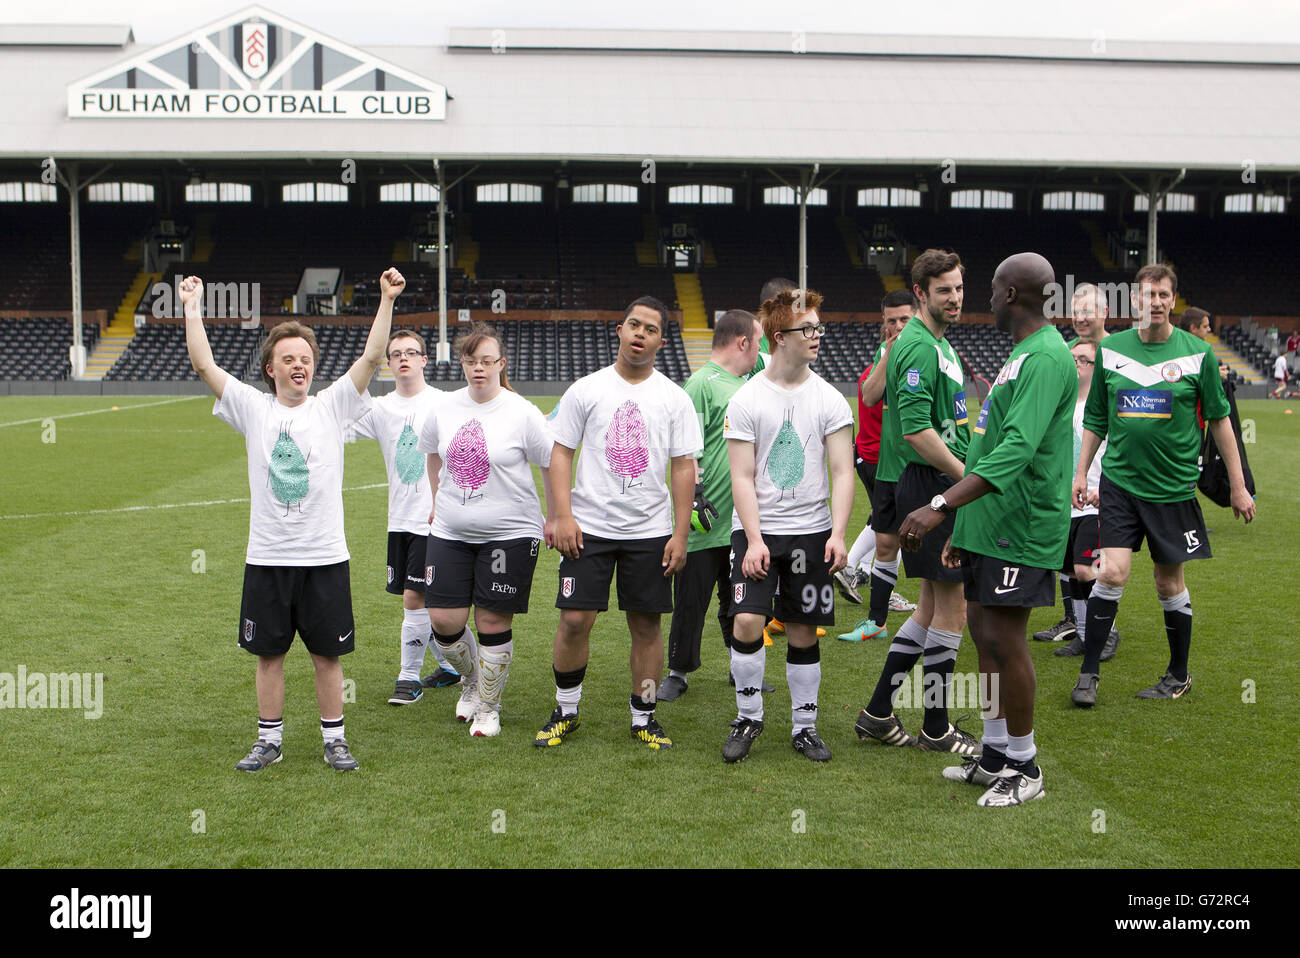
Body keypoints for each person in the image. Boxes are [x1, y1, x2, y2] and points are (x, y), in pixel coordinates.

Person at [182, 267, 404, 772]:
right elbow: (203, 364)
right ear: (271, 370)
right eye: (289, 359)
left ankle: (335, 741)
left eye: (305, 359)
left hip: (325, 557)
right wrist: (193, 306)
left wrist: (387, 298)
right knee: (269, 656)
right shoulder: (252, 409)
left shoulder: (333, 406)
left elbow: (371, 358)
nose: (299, 366)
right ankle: (269, 741)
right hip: (267, 557)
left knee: (328, 657)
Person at [899, 251, 1075, 805]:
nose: (984, 297)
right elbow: (989, 445)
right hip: (991, 523)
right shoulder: (1023, 354)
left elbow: (1017, 450)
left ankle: (1024, 768)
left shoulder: (1046, 357)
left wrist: (940, 506)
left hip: (1022, 525)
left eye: (992, 287)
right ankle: (995, 756)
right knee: (983, 632)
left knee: (1004, 637)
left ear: (1012, 295)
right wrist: (964, 528)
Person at [1070, 263, 1256, 707]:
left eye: (1163, 296)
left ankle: (1177, 674)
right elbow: (1096, 417)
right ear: (1135, 300)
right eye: (1147, 295)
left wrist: (1238, 485)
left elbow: (1220, 421)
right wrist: (1081, 471)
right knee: (1112, 572)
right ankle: (1089, 672)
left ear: (1173, 301)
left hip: (1172, 489)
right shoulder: (1112, 351)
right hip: (1119, 485)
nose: (1155, 303)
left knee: (1167, 582)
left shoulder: (1198, 354)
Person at [535, 297, 702, 749]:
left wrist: (680, 534)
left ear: (661, 341)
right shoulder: (586, 389)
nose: (639, 334)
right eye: (633, 324)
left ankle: (643, 717)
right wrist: (563, 515)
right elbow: (560, 452)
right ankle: (565, 712)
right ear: (619, 329)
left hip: (649, 532)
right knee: (574, 619)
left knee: (646, 626)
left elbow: (684, 466)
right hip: (587, 528)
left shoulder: (674, 398)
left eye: (650, 329)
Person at [721, 288, 854, 763]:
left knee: (802, 630)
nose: (817, 337)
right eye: (808, 329)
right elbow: (741, 475)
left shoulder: (831, 399)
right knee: (748, 619)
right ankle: (749, 716)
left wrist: (838, 534)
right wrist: (753, 539)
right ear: (780, 338)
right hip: (757, 531)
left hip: (812, 531)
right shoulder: (747, 399)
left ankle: (804, 726)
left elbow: (842, 471)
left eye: (819, 327)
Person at [854, 249, 978, 755]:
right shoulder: (921, 346)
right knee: (954, 609)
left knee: (930, 607)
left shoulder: (933, 342)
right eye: (944, 289)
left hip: (930, 483)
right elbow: (917, 430)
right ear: (922, 293)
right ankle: (936, 727)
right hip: (931, 485)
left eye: (959, 287)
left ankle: (878, 713)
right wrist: (966, 479)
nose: (955, 298)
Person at [418, 323, 554, 737]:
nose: (479, 368)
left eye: (487, 361)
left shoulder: (522, 412)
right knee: (443, 620)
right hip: (450, 531)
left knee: (492, 621)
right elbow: (432, 456)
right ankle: (473, 680)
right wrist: (436, 497)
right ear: (462, 363)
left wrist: (556, 515)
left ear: (501, 364)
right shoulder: (443, 408)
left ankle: (489, 708)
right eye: (471, 360)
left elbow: (550, 462)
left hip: (509, 533)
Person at [658, 310, 766, 702]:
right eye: (757, 341)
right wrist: (696, 495)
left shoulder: (753, 383)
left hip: (742, 518)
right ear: (742, 342)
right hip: (706, 518)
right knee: (692, 597)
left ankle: (742, 666)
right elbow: (685, 447)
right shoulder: (702, 383)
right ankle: (678, 671)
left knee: (739, 597)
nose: (760, 349)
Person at [351, 329, 463, 706]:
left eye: (410, 353)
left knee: (415, 598)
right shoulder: (380, 409)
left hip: (435, 519)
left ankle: (408, 678)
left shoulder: (446, 403)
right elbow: (341, 415)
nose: (403, 359)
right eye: (395, 353)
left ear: (424, 360)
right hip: (399, 519)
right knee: (427, 602)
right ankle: (455, 668)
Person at [835, 288, 917, 639]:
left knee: (900, 534)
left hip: (897, 463)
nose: (897, 327)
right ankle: (874, 610)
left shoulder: (927, 353)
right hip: (881, 462)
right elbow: (869, 394)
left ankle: (856, 570)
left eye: (904, 320)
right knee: (890, 534)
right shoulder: (885, 355)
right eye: (891, 321)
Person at [1035, 283, 1113, 644]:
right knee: (1066, 562)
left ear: (1105, 313)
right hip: (1065, 485)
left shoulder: (1118, 354)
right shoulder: (1067, 352)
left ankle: (1102, 631)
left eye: (1089, 310)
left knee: (1090, 565)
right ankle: (1076, 624)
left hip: (1102, 484)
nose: (1081, 318)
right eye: (1076, 311)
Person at [1050, 339, 1121, 662]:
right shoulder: (1061, 405)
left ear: (1097, 367)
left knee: (1085, 567)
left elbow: (1119, 453)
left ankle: (1107, 631)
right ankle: (1082, 631)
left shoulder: (1103, 406)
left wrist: (1105, 490)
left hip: (1095, 500)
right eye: (1072, 358)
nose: (1076, 364)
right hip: (1064, 503)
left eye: (1083, 359)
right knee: (1068, 569)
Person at [1181, 308, 1229, 381]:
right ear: (1193, 328)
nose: (1209, 329)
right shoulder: (1181, 351)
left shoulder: (1196, 349)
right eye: (1205, 326)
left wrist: (1213, 372)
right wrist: (1214, 376)